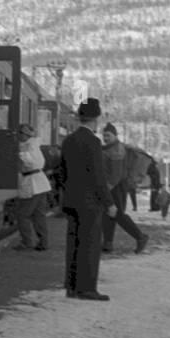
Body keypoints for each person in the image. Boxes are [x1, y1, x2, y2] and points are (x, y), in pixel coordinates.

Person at [58, 98, 115, 300]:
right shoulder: (92, 142)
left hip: (71, 200)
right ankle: (87, 288)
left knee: (73, 243)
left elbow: (61, 173)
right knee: (90, 245)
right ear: (96, 119)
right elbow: (98, 176)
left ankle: (72, 287)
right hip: (90, 203)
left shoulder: (69, 141)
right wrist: (109, 202)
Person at [100, 124, 148, 255]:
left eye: (108, 135)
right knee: (108, 213)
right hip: (115, 185)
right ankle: (108, 243)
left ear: (115, 135)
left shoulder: (116, 150)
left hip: (116, 186)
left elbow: (117, 174)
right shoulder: (109, 148)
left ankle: (140, 237)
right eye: (104, 135)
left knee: (117, 214)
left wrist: (107, 189)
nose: (105, 138)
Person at [13, 123, 51, 249]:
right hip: (41, 183)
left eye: (20, 134)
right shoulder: (35, 144)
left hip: (32, 182)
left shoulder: (25, 146)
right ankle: (43, 242)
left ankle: (27, 242)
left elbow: (28, 162)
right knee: (39, 215)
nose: (18, 136)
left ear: (25, 135)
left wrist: (18, 156)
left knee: (22, 214)